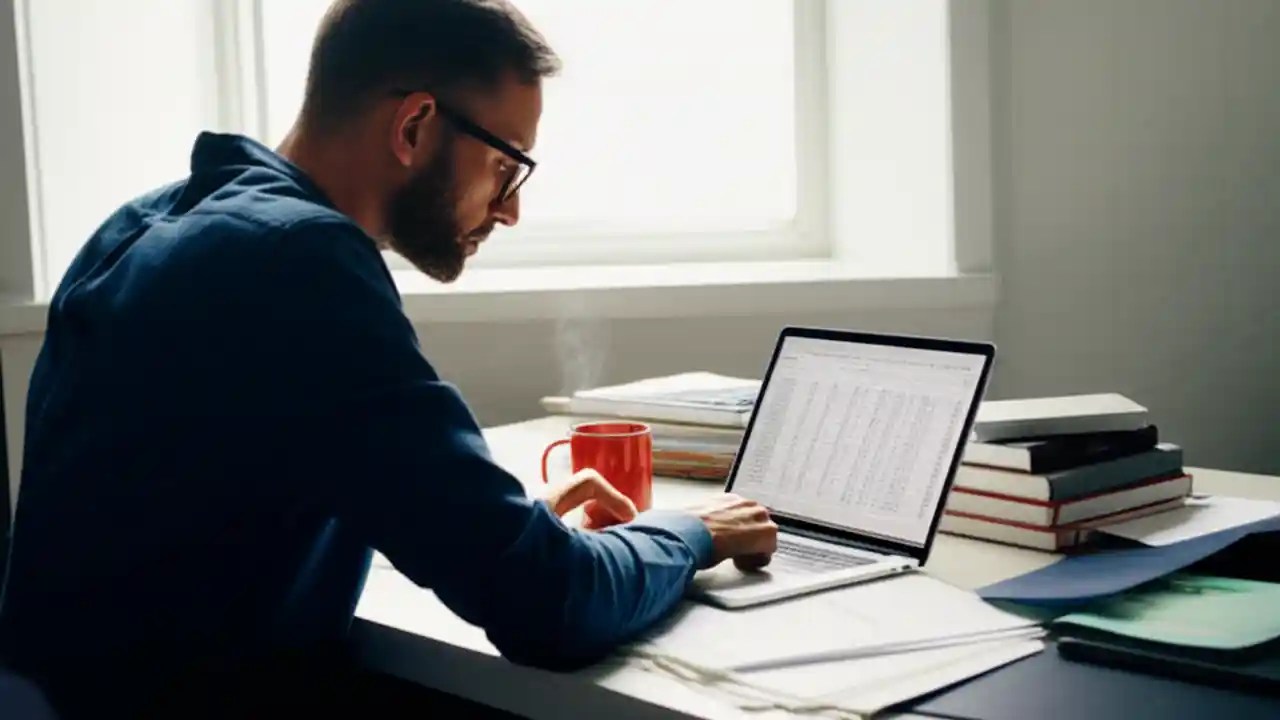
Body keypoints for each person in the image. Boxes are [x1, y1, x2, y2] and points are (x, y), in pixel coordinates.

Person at [0, 0, 778, 717]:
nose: (511, 209)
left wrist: (494, 528)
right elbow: (547, 608)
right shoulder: (299, 260)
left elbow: (212, 515)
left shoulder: (147, 223)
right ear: (413, 127)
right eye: (507, 166)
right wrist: (691, 532)